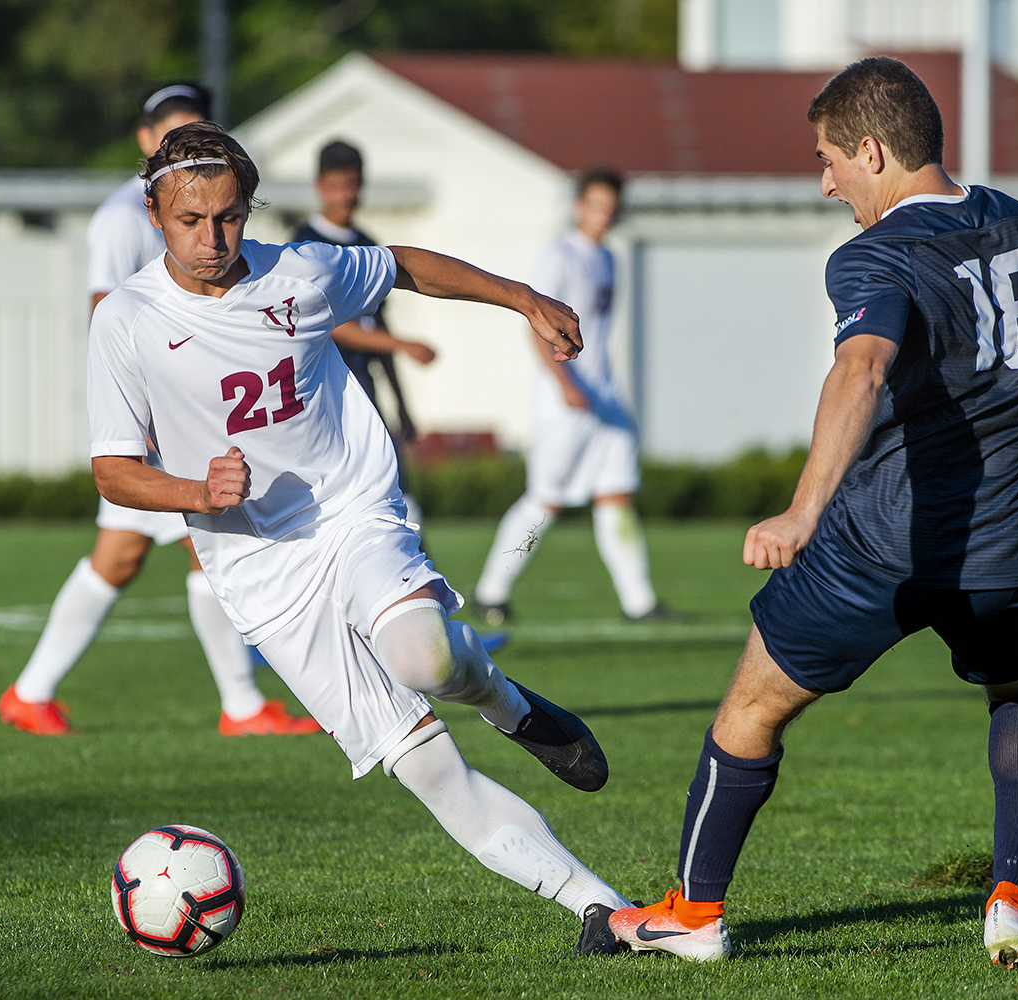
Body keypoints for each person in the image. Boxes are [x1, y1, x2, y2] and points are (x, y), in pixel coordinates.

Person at [88, 121, 633, 953]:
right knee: (425, 769)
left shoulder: (298, 271)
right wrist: (196, 492)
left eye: (229, 217)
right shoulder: (125, 319)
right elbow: (113, 469)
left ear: (248, 210)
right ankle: (601, 907)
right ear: (155, 213)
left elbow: (408, 266)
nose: (212, 237)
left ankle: (506, 703)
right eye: (191, 220)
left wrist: (523, 298)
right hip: (257, 571)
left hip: (349, 511)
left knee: (425, 658)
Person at [609, 57, 1018, 968]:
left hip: (883, 543)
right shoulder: (1016, 221)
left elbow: (860, 368)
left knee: (748, 713)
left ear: (872, 149)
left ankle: (693, 913)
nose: (826, 181)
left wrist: (800, 512)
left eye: (830, 158)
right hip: (1011, 542)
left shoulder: (874, 254)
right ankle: (1010, 899)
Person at [0, 83, 318, 738]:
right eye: (170, 130)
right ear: (146, 143)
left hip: (189, 415)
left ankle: (30, 694)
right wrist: (136, 419)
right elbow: (105, 313)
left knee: (119, 557)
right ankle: (242, 706)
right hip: (157, 422)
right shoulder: (122, 216)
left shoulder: (201, 203)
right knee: (208, 546)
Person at [472, 167, 678, 626]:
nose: (604, 216)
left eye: (612, 207)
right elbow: (535, 326)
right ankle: (491, 592)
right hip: (565, 396)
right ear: (578, 206)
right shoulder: (559, 256)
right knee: (547, 498)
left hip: (605, 393)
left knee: (616, 493)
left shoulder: (609, 257)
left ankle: (639, 603)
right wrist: (565, 383)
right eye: (596, 206)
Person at [289, 139, 436, 527]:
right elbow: (330, 326)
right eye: (337, 185)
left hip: (364, 389)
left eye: (352, 185)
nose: (345, 195)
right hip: (319, 392)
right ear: (319, 186)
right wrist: (403, 345)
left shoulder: (368, 247)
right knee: (332, 498)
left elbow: (377, 324)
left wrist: (401, 401)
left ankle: (413, 576)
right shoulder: (302, 245)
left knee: (392, 487)